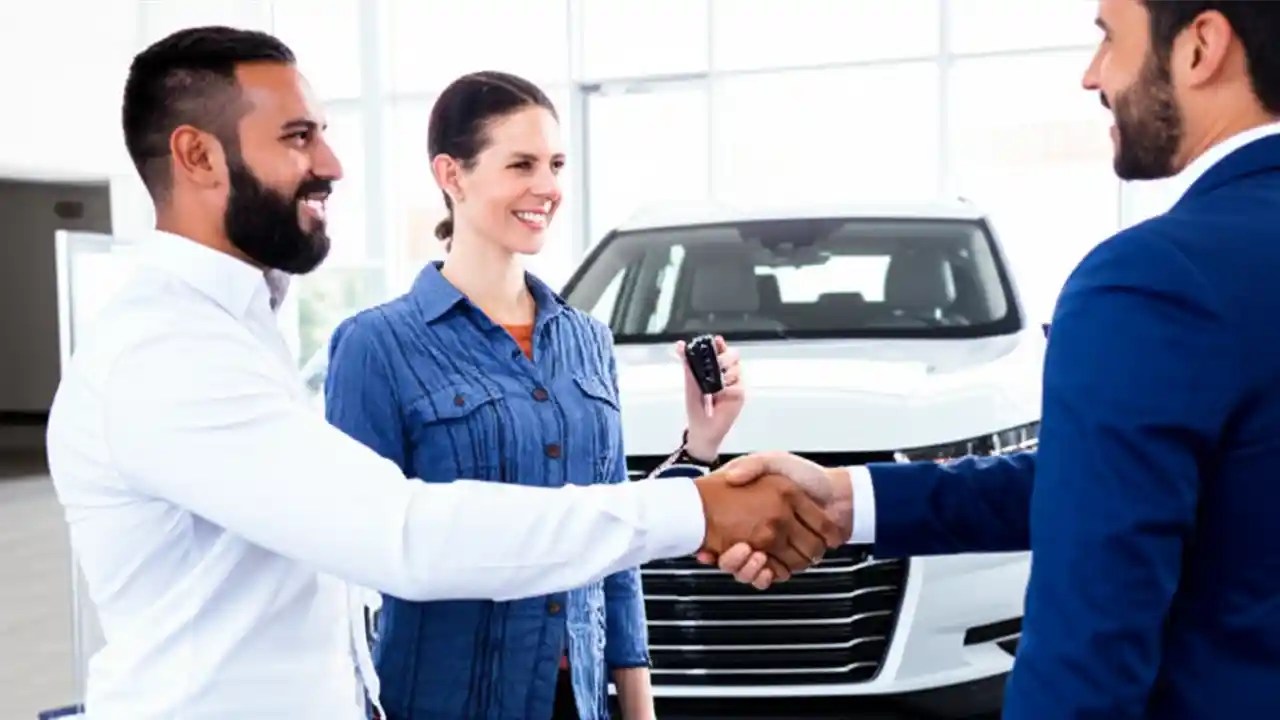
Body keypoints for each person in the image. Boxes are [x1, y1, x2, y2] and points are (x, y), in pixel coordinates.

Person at [43, 26, 846, 720]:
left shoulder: (238, 332)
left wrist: (694, 463)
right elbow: (401, 538)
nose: (332, 162)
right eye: (297, 137)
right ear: (197, 155)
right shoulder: (170, 354)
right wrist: (696, 508)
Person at [710, 2, 1280, 719]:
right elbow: (1142, 483)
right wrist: (847, 498)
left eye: (1109, 38)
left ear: (1201, 46)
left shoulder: (1156, 277)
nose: (1092, 75)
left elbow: (1093, 634)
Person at [322, 70, 746, 720]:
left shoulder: (587, 341)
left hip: (578, 702)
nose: (547, 188)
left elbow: (615, 542)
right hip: (439, 701)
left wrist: (701, 447)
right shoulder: (375, 346)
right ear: (452, 175)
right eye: (521, 164)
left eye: (555, 164)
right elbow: (347, 562)